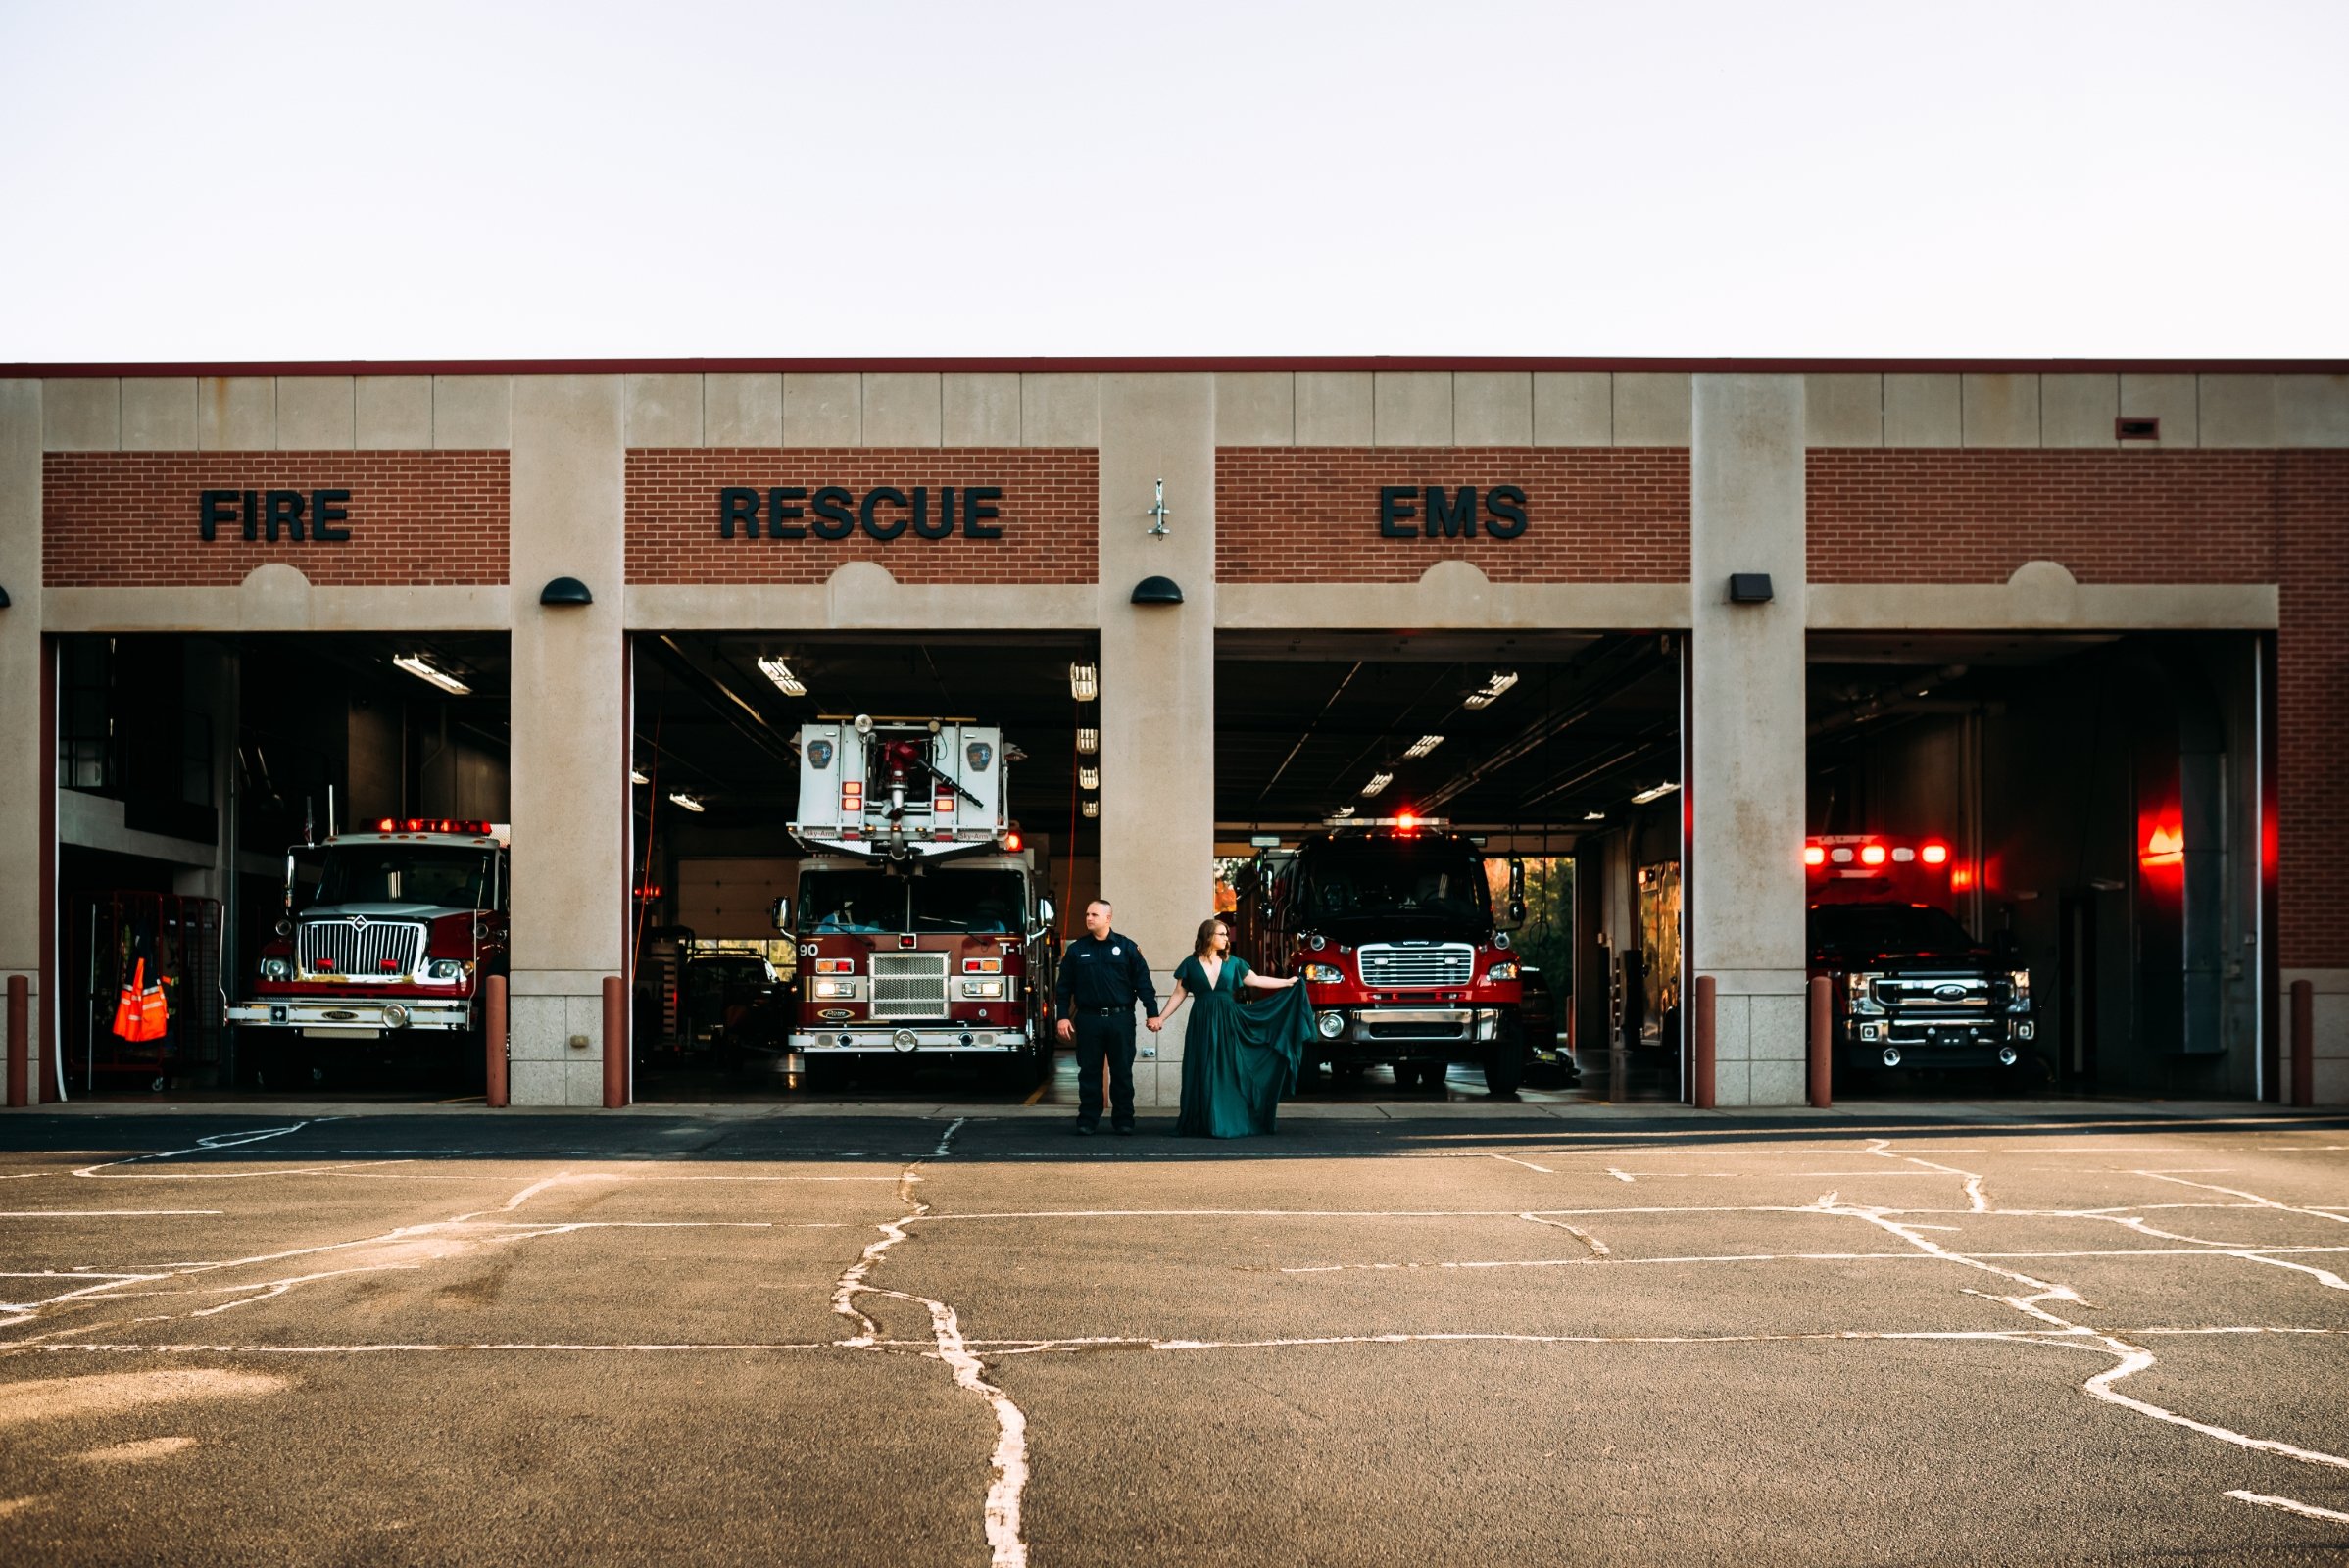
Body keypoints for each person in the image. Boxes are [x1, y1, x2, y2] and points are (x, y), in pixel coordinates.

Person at [1163, 915, 1314, 1138]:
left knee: (1227, 1068)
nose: (1227, 938)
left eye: (1226, 934)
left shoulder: (1233, 963)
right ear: (1208, 936)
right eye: (1222, 934)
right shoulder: (1190, 964)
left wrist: (1287, 982)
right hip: (1202, 1022)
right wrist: (1161, 1018)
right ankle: (1203, 1121)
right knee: (1202, 1067)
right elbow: (1179, 994)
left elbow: (1257, 980)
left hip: (1228, 1020)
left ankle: (1226, 1120)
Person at [1054, 898, 1160, 1135]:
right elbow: (1063, 988)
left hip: (1120, 1019)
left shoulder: (1127, 948)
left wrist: (1152, 1013)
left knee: (1122, 1071)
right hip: (1089, 1019)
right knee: (1089, 1071)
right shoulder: (1077, 950)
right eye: (1087, 915)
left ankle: (1124, 1120)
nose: (1088, 918)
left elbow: (1143, 983)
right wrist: (1063, 1017)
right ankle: (1087, 1120)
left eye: (1094, 915)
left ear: (1108, 918)